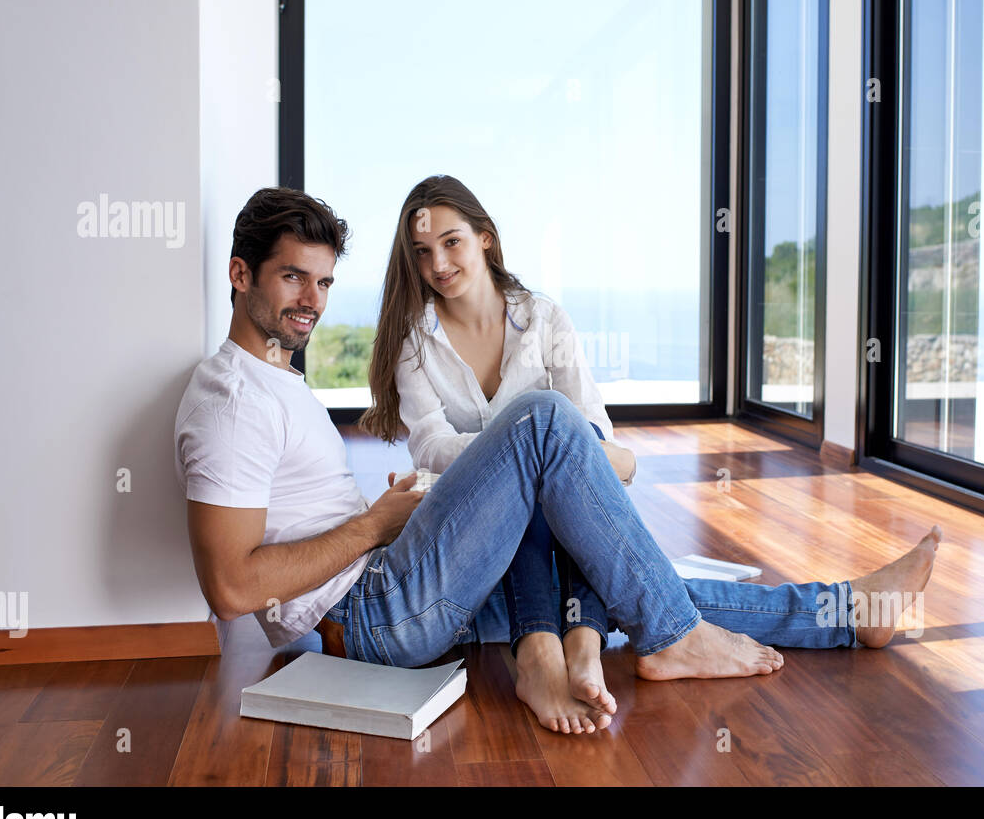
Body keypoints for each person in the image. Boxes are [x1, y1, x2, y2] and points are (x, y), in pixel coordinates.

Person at [174, 187, 941, 735]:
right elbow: (233, 584)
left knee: (610, 576)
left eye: (323, 281)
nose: (312, 299)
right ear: (241, 274)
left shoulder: (275, 376)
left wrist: (393, 520)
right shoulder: (231, 398)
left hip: (386, 587)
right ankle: (667, 638)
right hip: (372, 613)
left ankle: (847, 611)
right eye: (291, 277)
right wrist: (375, 524)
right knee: (544, 422)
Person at [359, 174, 637, 734]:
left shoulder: (544, 319)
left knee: (566, 433)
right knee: (542, 453)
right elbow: (431, 447)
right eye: (421, 252)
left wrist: (544, 453)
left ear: (484, 237)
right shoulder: (413, 342)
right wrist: (520, 454)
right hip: (480, 522)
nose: (438, 262)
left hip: (563, 516)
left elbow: (597, 437)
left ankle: (580, 642)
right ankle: (545, 650)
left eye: (452, 241)